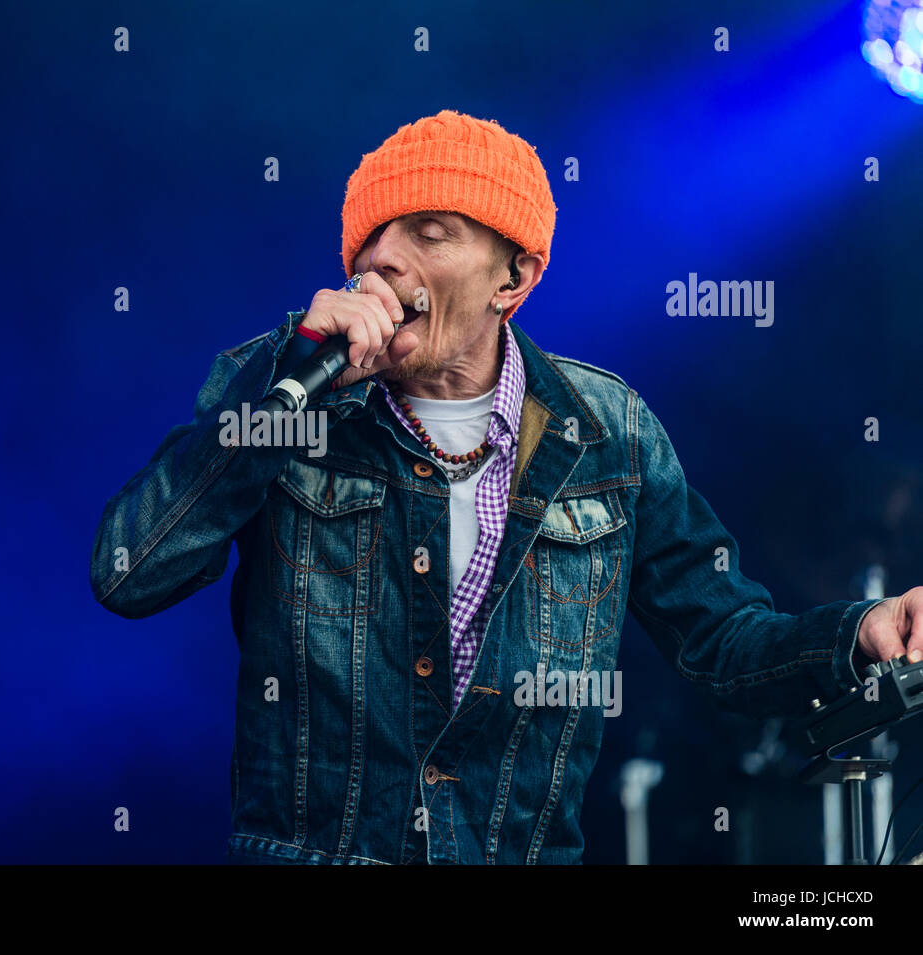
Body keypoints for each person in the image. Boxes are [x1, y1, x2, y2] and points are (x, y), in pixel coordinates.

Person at [90, 109, 923, 864]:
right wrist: (285, 390)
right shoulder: (280, 388)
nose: (385, 256)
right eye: (372, 238)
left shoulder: (609, 431)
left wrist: (861, 630)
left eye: (430, 230)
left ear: (511, 280)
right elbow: (129, 572)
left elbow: (725, 641)